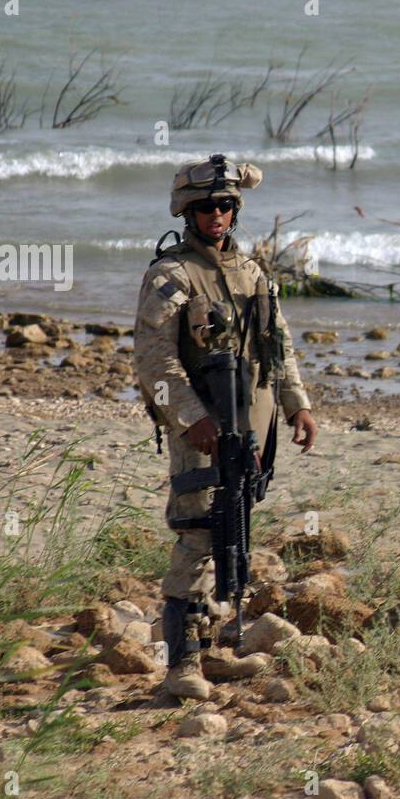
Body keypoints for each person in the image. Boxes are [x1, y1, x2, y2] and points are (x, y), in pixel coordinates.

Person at [133, 154, 318, 699]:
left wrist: (296, 406)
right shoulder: (171, 275)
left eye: (226, 206)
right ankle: (181, 665)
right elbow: (152, 362)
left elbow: (278, 347)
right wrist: (192, 418)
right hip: (202, 428)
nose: (217, 214)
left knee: (233, 529)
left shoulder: (252, 273)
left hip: (251, 427)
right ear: (187, 213)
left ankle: (213, 643)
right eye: (206, 206)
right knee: (196, 533)